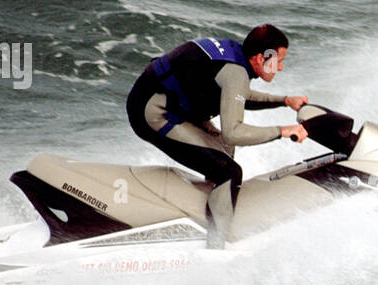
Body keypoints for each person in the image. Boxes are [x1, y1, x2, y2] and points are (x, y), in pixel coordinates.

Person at [126, 24, 308, 246]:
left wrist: (285, 101)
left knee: (223, 155)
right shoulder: (236, 72)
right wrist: (282, 131)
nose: (280, 68)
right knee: (228, 171)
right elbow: (234, 133)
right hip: (152, 110)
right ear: (261, 58)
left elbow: (238, 95)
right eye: (278, 61)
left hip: (171, 103)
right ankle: (216, 245)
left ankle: (207, 214)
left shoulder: (236, 59)